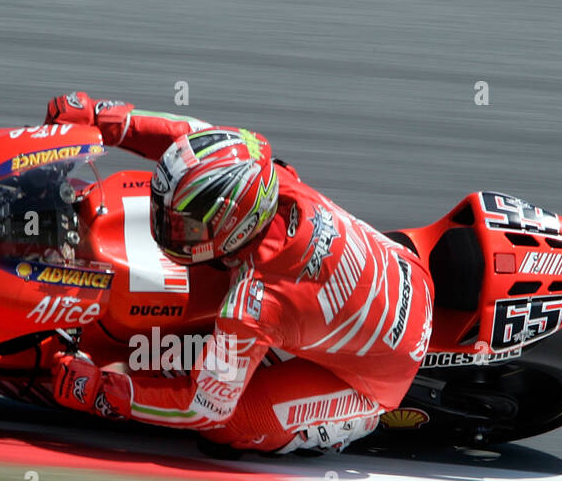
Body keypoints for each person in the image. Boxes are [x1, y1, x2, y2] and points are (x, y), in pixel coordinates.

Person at [44, 92, 434, 454]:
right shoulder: (265, 172)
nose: (170, 231)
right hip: (401, 267)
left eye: (187, 227)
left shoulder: (254, 306)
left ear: (237, 223)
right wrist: (102, 119)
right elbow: (189, 140)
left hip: (381, 373)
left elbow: (203, 407)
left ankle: (358, 419)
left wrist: (102, 391)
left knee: (230, 426)